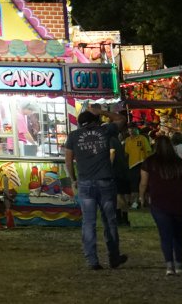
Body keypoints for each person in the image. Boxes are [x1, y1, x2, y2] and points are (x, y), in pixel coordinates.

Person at [67, 110, 125, 268]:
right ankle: (114, 257)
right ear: (95, 120)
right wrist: (101, 111)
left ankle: (92, 259)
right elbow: (121, 119)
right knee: (109, 221)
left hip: (85, 183)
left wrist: (73, 179)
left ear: (80, 123)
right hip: (105, 181)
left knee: (88, 222)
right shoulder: (104, 130)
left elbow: (68, 160)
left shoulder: (73, 136)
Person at [138, 134, 182, 275]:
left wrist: (141, 197)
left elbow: (143, 183)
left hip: (159, 203)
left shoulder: (149, 162)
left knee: (165, 234)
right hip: (181, 203)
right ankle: (179, 264)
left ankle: (169, 265)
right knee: (178, 234)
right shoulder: (180, 163)